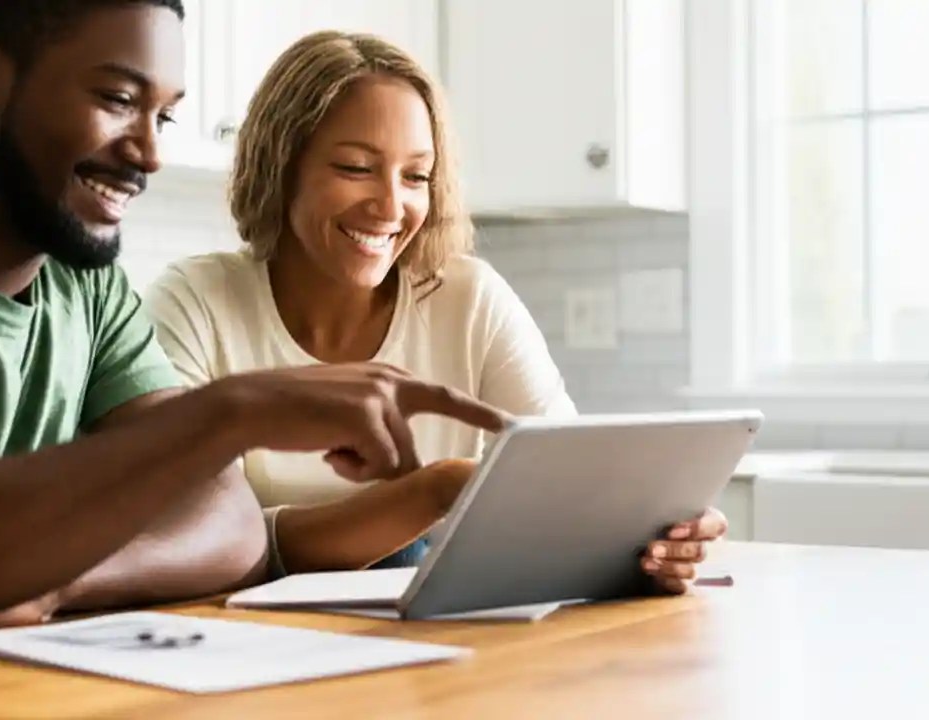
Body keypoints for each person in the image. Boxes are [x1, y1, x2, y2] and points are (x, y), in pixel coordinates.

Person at [0, 1, 510, 663]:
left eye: (164, 114)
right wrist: (235, 410)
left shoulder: (85, 287)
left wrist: (52, 585)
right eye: (118, 101)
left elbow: (229, 527)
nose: (150, 153)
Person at [143, 31, 727, 584]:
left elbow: (568, 487)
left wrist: (656, 545)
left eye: (416, 175)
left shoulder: (469, 298)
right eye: (355, 167)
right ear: (281, 165)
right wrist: (436, 490)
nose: (390, 205)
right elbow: (201, 540)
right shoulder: (196, 304)